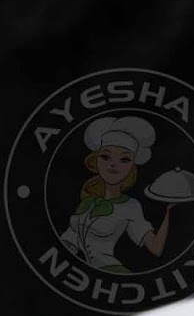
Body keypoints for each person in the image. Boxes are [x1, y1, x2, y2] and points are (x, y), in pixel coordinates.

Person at [59, 115, 172, 273]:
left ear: (132, 167)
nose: (113, 164)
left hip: (115, 272)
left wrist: (168, 212)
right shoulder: (88, 202)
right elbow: (69, 242)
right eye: (105, 157)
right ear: (96, 161)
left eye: (124, 159)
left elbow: (155, 249)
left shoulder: (130, 206)